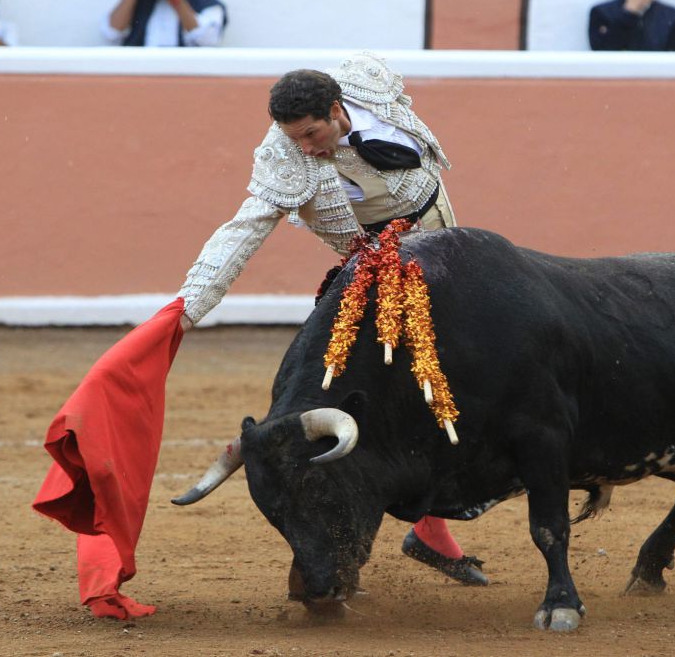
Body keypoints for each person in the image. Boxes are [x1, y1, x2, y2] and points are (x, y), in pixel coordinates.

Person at [176, 51, 487, 586]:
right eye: (294, 138)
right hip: (374, 277)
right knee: (404, 390)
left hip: (449, 251)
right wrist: (189, 305)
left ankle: (428, 528)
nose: (305, 147)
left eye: (312, 133)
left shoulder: (369, 81)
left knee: (460, 382)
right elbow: (243, 228)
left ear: (338, 108)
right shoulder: (285, 157)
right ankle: (411, 530)